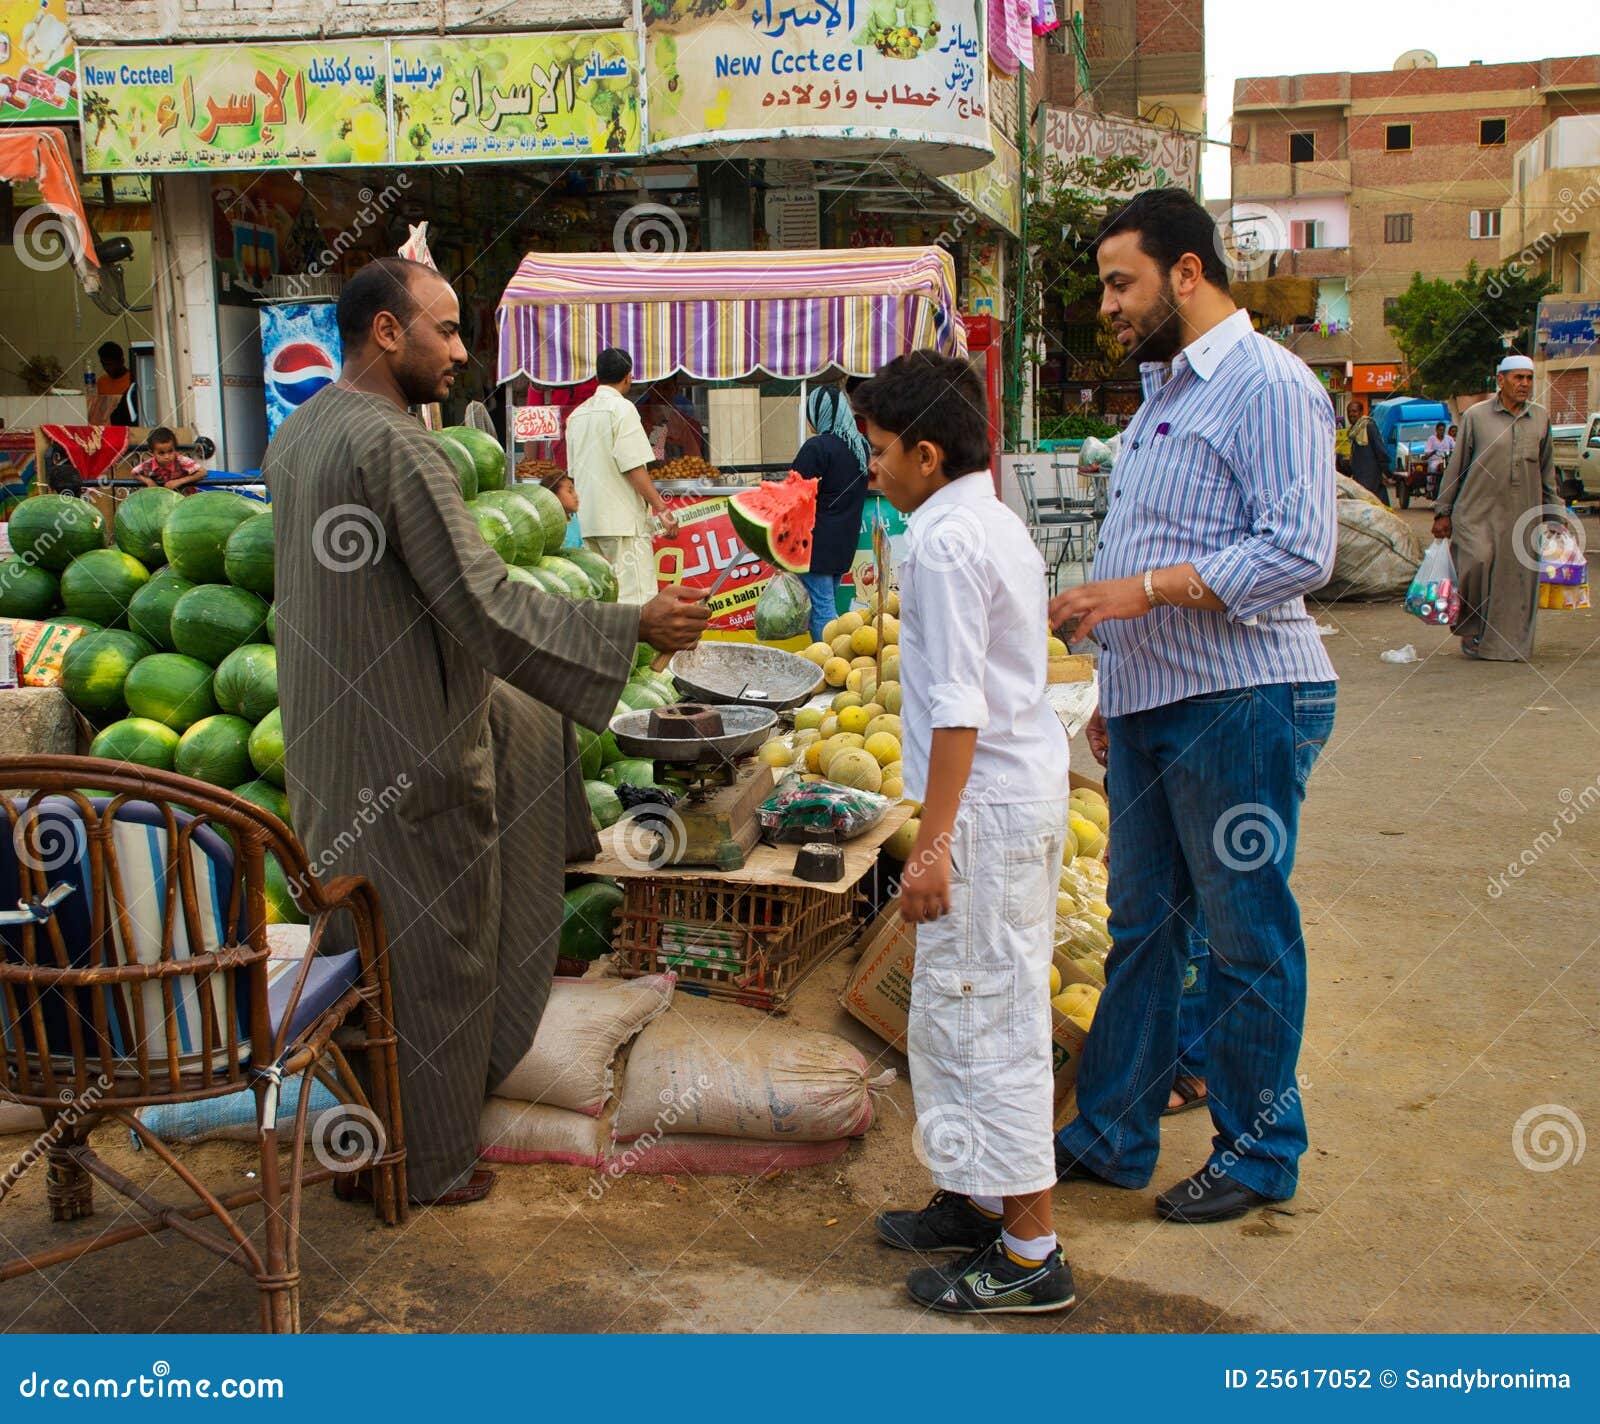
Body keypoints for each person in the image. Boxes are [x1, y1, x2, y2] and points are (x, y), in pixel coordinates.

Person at [262, 257, 708, 1206]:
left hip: (330, 749)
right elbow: (484, 600)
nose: (462, 352)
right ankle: (425, 1168)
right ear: (387, 332)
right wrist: (630, 627)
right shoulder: (399, 448)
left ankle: (358, 1155)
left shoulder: (299, 434)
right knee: (436, 958)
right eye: (446, 330)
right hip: (411, 751)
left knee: (359, 955)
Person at [1048, 188, 1338, 1225]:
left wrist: (1135, 593)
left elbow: (1299, 548)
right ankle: (1112, 1131)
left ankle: (1258, 1155)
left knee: (1243, 930)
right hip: (1154, 701)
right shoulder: (1164, 393)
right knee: (1143, 928)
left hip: (1243, 699)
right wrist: (1117, 685)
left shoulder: (1265, 383)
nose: (1108, 306)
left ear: (1185, 271)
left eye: (1121, 282)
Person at [859, 351, 1076, 1315]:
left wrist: (933, 843)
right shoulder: (986, 520)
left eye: (878, 450)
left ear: (927, 453)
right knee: (957, 1018)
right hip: (1001, 803)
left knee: (993, 1028)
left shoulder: (944, 543)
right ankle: (975, 1197)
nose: (870, 468)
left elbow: (958, 710)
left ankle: (1032, 1251)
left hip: (982, 813)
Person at [1432, 354, 1560, 661]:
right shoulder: (1476, 416)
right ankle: (1472, 626)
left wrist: (1556, 513)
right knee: (1476, 564)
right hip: (1476, 512)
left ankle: (1505, 644)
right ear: (1500, 380)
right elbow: (1457, 466)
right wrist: (1443, 510)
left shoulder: (1540, 417)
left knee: (1516, 580)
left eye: (1529, 378)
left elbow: (1547, 471)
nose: (1525, 384)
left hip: (1522, 515)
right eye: (1518, 377)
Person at [564, 348, 679, 604]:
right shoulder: (623, 410)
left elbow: (573, 472)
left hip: (590, 523)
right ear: (628, 377)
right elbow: (633, 466)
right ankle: (632, 647)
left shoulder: (576, 416)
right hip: (622, 524)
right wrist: (661, 508)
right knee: (635, 601)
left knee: (604, 600)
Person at [791, 386, 871, 641]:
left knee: (823, 609)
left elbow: (793, 495)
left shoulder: (817, 448)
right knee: (825, 603)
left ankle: (829, 666)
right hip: (844, 543)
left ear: (818, 412)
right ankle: (833, 663)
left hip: (814, 543)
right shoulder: (862, 447)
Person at [131, 427, 205, 494]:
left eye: (170, 451)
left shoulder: (180, 460)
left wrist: (179, 481)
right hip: (164, 500)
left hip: (186, 499)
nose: (167, 456)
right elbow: (134, 472)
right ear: (152, 452)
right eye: (161, 453)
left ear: (175, 449)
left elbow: (202, 472)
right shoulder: (149, 464)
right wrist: (148, 481)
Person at [1345, 398, 1389, 504]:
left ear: (1361, 412)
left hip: (1372, 479)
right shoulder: (1353, 432)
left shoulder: (1369, 426)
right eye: (1349, 412)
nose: (1351, 414)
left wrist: (1386, 472)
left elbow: (1380, 451)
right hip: (1359, 478)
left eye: (1354, 411)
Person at [89, 342, 135, 426]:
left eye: (110, 364)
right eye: (104, 364)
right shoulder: (101, 381)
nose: (107, 368)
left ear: (121, 361)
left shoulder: (132, 380)